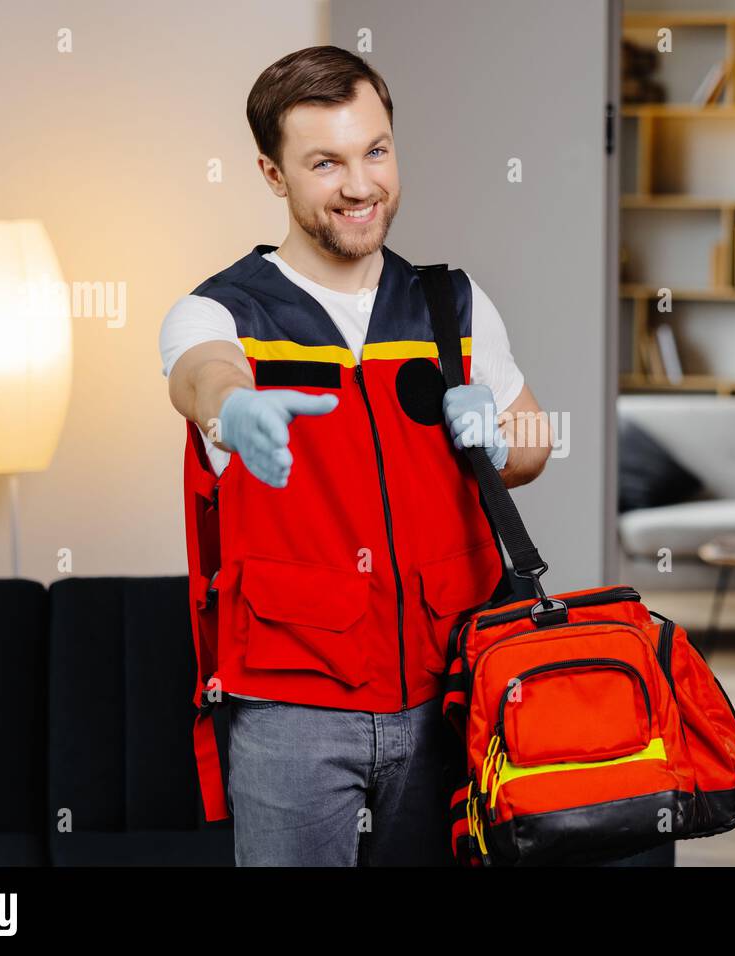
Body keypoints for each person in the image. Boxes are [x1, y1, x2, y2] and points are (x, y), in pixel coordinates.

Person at [159, 45, 551, 866]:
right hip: (292, 711)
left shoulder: (452, 301)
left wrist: (497, 438)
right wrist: (236, 409)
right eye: (326, 162)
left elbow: (532, 442)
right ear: (274, 175)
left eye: (375, 151)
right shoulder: (218, 311)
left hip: (451, 693)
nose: (361, 185)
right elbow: (200, 374)